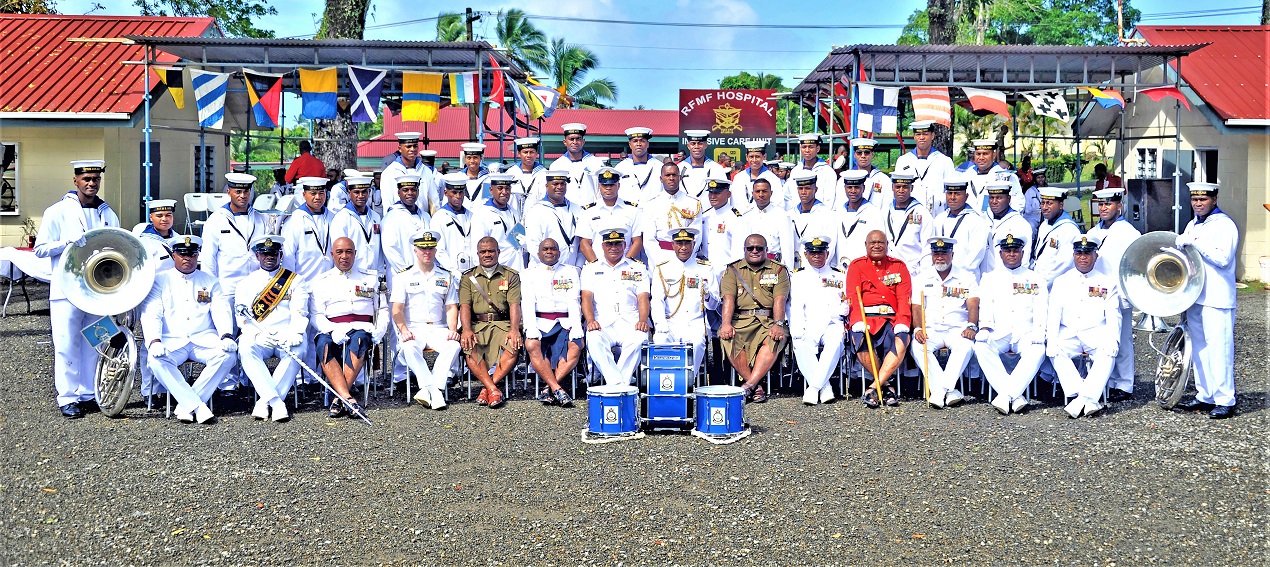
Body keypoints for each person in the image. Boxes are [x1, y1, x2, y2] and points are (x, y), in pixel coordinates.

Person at [33, 160, 121, 418]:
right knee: (66, 343)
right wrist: (66, 243)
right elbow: (40, 249)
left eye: (95, 179)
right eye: (86, 179)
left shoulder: (108, 213)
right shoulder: (57, 211)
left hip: (97, 291)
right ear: (76, 181)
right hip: (66, 290)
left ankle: (88, 393)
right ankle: (68, 397)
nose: (91, 184)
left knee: (95, 341)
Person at [140, 235, 235, 424]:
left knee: (228, 356)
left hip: (203, 338)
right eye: (182, 254)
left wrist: (225, 335)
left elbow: (221, 310)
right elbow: (152, 312)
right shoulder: (159, 280)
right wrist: (154, 340)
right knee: (155, 359)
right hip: (171, 339)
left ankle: (186, 405)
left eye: (192, 254)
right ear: (173, 255)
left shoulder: (210, 281)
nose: (187, 258)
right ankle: (198, 406)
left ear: (197, 255)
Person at [1173, 182, 1239, 418]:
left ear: (1214, 199)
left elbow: (1223, 258)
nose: (1198, 204)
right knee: (1199, 349)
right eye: (1194, 200)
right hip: (1196, 296)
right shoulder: (1193, 224)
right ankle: (1206, 395)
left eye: (1203, 200)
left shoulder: (1225, 225)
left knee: (1219, 349)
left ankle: (1225, 399)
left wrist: (1195, 243)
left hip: (1217, 298)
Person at [233, 235, 309, 422]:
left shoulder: (294, 280)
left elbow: (300, 311)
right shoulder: (246, 283)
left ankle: (264, 402)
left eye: (274, 253)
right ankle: (276, 403)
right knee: (245, 347)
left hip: (286, 333)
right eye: (265, 253)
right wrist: (255, 334)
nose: (270, 257)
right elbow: (241, 317)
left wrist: (296, 332)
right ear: (257, 256)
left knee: (298, 349)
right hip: (260, 334)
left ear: (280, 255)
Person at [310, 237, 388, 418]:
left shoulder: (370, 278)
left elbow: (382, 308)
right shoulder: (321, 281)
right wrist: (331, 330)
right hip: (333, 328)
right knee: (323, 343)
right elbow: (316, 315)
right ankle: (347, 398)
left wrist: (381, 328)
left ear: (355, 254)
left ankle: (338, 399)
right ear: (332, 255)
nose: (344, 256)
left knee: (359, 339)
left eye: (348, 252)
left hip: (362, 327)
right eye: (339, 252)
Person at [1045, 235, 1121, 418]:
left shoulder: (1107, 283)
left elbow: (1113, 315)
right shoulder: (1061, 281)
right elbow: (1054, 313)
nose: (1083, 257)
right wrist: (1051, 339)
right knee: (1055, 350)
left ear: (1096, 255)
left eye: (1088, 253)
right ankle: (1085, 396)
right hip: (1068, 333)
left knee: (1108, 351)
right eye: (1079, 253)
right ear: (1074, 255)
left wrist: (1114, 339)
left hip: (1095, 332)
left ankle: (1080, 400)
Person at [972, 234, 1048, 415]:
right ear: (1000, 253)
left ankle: (1006, 396)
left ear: (1023, 253)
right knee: (981, 347)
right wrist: (984, 328)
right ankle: (1016, 395)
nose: (1012, 254)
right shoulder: (990, 278)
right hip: (1000, 331)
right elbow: (986, 306)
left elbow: (1041, 308)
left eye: (1016, 250)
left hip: (1025, 331)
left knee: (1038, 350)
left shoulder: (1035, 278)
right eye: (1007, 250)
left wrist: (1039, 331)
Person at [391, 230, 462, 410]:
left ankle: (431, 389)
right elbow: (396, 310)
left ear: (435, 250)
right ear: (415, 251)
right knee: (409, 346)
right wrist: (403, 330)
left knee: (454, 345)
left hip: (438, 327)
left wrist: (453, 329)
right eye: (423, 249)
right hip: (413, 327)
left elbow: (451, 306)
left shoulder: (446, 276)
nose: (427, 252)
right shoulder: (402, 277)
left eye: (430, 248)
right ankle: (435, 390)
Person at [844, 230, 913, 408]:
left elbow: (904, 297)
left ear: (887, 244)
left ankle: (873, 387)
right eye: (872, 243)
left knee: (902, 340)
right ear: (866, 245)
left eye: (880, 242)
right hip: (866, 318)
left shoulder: (898, 266)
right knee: (858, 339)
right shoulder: (857, 266)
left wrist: (903, 322)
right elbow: (852, 295)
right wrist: (857, 320)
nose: (876, 246)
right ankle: (887, 386)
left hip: (891, 318)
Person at [1086, 188, 1142, 401]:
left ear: (1119, 206)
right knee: (1102, 339)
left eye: (1108, 204)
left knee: (1122, 339)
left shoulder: (1129, 233)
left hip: (1119, 294)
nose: (1103, 208)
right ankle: (1106, 380)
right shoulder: (1093, 233)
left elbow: (1137, 265)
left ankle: (1125, 384)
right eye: (1101, 204)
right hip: (1096, 294)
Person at [718, 234, 789, 403]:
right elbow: (728, 299)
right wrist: (726, 323)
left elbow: (780, 299)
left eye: (759, 248)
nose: (755, 251)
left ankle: (748, 385)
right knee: (727, 336)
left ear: (766, 250)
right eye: (750, 248)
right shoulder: (732, 270)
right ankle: (755, 386)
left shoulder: (778, 270)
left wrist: (778, 324)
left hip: (767, 320)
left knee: (775, 338)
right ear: (744, 250)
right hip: (741, 320)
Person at [911, 237, 979, 408]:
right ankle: (949, 391)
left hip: (957, 329)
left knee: (966, 346)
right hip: (931, 329)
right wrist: (918, 328)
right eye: (936, 253)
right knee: (917, 347)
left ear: (952, 254)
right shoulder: (921, 278)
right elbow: (917, 307)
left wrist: (971, 326)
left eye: (944, 253)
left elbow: (973, 305)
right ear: (931, 256)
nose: (940, 257)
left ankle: (939, 391)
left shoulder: (966, 277)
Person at [458, 236, 523, 408]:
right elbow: (464, 306)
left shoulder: (511, 276)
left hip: (503, 324)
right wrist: (465, 329)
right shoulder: (468, 277)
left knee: (514, 345)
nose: (487, 254)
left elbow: (514, 305)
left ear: (498, 252)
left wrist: (515, 329)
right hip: (477, 324)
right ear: (478, 254)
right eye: (483, 251)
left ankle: (489, 387)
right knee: (468, 345)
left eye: (491, 251)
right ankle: (493, 389)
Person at [581, 228, 651, 386]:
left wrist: (643, 320)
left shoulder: (638, 268)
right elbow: (586, 297)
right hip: (603, 321)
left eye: (618, 244)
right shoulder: (591, 269)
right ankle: (618, 383)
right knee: (593, 338)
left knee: (640, 338)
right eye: (609, 244)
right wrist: (590, 320)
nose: (614, 247)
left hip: (630, 321)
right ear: (603, 246)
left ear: (624, 245)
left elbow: (643, 297)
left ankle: (615, 385)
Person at [521, 238, 584, 407]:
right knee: (532, 345)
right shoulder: (529, 273)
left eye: (553, 249)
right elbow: (527, 302)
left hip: (564, 321)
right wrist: (531, 327)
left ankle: (549, 388)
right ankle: (557, 388)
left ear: (559, 252)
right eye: (546, 249)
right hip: (540, 322)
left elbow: (574, 301)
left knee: (577, 345)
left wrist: (576, 325)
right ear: (539, 253)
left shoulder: (570, 272)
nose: (549, 252)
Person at [789, 236, 848, 405]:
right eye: (812, 253)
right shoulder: (798, 277)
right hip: (810, 323)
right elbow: (796, 306)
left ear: (827, 253)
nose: (817, 256)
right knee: (800, 343)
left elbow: (846, 301)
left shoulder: (839, 276)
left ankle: (813, 388)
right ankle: (825, 387)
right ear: (806, 255)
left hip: (832, 322)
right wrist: (797, 329)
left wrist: (842, 310)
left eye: (821, 253)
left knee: (835, 343)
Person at [650, 227, 716, 374]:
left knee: (697, 343)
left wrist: (706, 293)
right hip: (670, 322)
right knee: (660, 341)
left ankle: (687, 383)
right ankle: (666, 385)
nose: (683, 247)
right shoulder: (662, 268)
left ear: (694, 244)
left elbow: (713, 305)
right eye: (679, 243)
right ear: (673, 245)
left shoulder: (705, 268)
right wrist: (660, 325)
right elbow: (657, 300)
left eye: (687, 243)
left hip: (695, 322)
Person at [202, 172, 269, 299]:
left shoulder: (260, 218)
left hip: (256, 287)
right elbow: (208, 257)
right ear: (228, 192)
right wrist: (211, 287)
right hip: (227, 287)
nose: (242, 196)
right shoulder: (216, 219)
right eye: (238, 192)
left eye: (246, 192)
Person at [641, 162, 704, 267]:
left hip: (687, 258)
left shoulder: (693, 203)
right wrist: (661, 262)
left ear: (679, 178)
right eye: (667, 175)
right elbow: (648, 239)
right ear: (661, 179)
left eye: (674, 175)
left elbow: (697, 236)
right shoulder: (650, 205)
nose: (671, 178)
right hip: (660, 258)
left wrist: (687, 259)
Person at [578, 167, 643, 264]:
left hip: (626, 266)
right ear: (599, 185)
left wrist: (626, 264)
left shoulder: (633, 210)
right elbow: (584, 243)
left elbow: (637, 241)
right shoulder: (588, 212)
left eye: (612, 184)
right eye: (605, 185)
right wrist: (596, 265)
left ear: (619, 185)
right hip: (597, 266)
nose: (608, 188)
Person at [893, 120, 955, 216]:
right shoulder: (903, 160)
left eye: (925, 134)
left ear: (932, 136)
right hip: (910, 214)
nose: (921, 137)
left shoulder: (944, 161)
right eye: (918, 134)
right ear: (914, 137)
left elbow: (951, 190)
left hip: (937, 215)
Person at [524, 171, 583, 267]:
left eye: (563, 184)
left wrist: (578, 267)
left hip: (572, 270)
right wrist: (552, 267)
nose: (559, 187)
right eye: (555, 184)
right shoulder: (536, 210)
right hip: (544, 269)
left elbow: (582, 243)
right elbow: (533, 245)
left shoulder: (576, 209)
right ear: (547, 186)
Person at [281, 176, 336, 281]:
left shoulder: (333, 217)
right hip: (304, 283)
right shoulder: (295, 219)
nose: (318, 197)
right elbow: (288, 256)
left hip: (330, 284)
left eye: (321, 193)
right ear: (304, 195)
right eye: (313, 193)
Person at [884, 171, 935, 282]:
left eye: (905, 187)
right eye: (898, 187)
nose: (901, 190)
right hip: (887, 271)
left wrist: (924, 276)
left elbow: (928, 247)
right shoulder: (884, 210)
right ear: (892, 188)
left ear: (911, 188)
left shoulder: (922, 213)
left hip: (912, 272)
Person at [932, 180, 989, 278]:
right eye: (949, 193)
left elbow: (977, 253)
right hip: (940, 275)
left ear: (966, 196)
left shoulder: (976, 221)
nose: (952, 197)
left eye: (957, 194)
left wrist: (959, 274)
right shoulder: (939, 219)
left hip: (965, 277)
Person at [330, 174, 383, 276]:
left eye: (364, 192)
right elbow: (339, 251)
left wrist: (380, 274)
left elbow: (379, 250)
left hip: (373, 275)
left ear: (369, 192)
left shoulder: (375, 217)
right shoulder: (341, 217)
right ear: (349, 193)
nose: (361, 196)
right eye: (356, 192)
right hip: (352, 274)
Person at [696, 177, 747, 279]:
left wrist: (732, 274)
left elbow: (739, 253)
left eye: (717, 193)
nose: (713, 196)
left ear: (728, 194)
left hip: (725, 272)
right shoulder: (705, 216)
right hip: (705, 271)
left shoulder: (736, 218)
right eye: (710, 193)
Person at [741, 178, 797, 272]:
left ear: (771, 193)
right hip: (749, 266)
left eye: (764, 191)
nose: (761, 194)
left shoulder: (781, 215)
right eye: (757, 191)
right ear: (752, 193)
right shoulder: (746, 215)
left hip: (772, 265)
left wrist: (787, 271)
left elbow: (787, 247)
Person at [833, 169, 885, 268]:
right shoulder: (837, 212)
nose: (853, 191)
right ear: (844, 188)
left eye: (857, 187)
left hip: (864, 269)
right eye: (849, 187)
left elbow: (878, 245)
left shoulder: (874, 213)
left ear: (863, 188)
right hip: (839, 269)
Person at [1031, 187, 1081, 288]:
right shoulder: (1045, 224)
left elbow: (1064, 265)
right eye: (1042, 203)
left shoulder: (1069, 229)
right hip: (1039, 282)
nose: (1044, 207)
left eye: (1049, 203)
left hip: (1057, 286)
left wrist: (1041, 284)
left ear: (1061, 205)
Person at [473, 173, 525, 270]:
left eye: (507, 188)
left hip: (516, 266)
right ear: (491, 190)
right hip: (496, 269)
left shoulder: (514, 212)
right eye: (500, 188)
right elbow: (477, 246)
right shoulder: (482, 214)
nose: (504, 192)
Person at [981, 182, 1034, 275]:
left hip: (1006, 278)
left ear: (1008, 199)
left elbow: (1024, 260)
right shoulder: (983, 219)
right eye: (991, 197)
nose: (994, 201)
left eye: (999, 198)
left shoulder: (1020, 223)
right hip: (983, 277)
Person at [548, 123, 605, 207]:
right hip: (567, 211)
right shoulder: (556, 166)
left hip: (592, 211)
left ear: (583, 141)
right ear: (565, 142)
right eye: (571, 139)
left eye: (578, 139)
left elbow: (601, 189)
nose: (575, 142)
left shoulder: (596, 163)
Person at [789, 173, 837, 270]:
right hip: (794, 269)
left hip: (817, 269)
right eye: (800, 188)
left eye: (807, 188)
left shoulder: (826, 214)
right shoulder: (790, 214)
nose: (803, 192)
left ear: (816, 189)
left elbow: (830, 246)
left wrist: (819, 268)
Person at [432, 173, 477, 274]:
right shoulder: (439, 217)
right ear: (445, 192)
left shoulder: (471, 215)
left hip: (471, 271)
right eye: (454, 192)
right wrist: (453, 271)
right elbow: (439, 250)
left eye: (461, 192)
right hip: (449, 272)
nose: (458, 196)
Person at [964, 139, 1022, 213]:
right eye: (978, 154)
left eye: (985, 154)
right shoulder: (966, 175)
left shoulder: (1006, 176)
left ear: (994, 155)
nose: (981, 158)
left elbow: (1018, 203)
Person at [381, 132, 435, 211]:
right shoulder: (389, 173)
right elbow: (387, 204)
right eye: (408, 146)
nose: (412, 149)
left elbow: (434, 202)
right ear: (400, 149)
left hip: (423, 219)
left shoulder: (426, 171)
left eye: (415, 146)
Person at [614, 127, 664, 205]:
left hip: (653, 213)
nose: (638, 144)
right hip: (628, 213)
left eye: (642, 141)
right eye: (635, 141)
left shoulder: (659, 167)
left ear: (648, 144)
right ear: (630, 145)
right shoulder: (620, 168)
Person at [733, 141, 788, 209]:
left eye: (757, 156)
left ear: (764, 157)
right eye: (751, 157)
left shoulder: (772, 179)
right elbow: (734, 202)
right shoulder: (739, 178)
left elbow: (778, 204)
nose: (754, 160)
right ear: (746, 157)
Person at [677, 130, 730, 200]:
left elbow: (723, 194)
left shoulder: (716, 168)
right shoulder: (679, 168)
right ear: (688, 146)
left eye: (700, 143)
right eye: (693, 143)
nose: (696, 147)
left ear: (706, 145)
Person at [790, 134, 839, 209]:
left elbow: (830, 198)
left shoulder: (827, 171)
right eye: (804, 147)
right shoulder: (795, 171)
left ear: (818, 148)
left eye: (811, 147)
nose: (807, 150)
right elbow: (790, 196)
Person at [508, 137, 546, 218]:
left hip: (537, 217)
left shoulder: (543, 173)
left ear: (536, 154)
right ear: (519, 154)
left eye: (531, 152)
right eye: (525, 152)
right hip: (514, 217)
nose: (528, 155)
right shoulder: (511, 173)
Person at [850, 138, 893, 208]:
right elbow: (840, 206)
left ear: (872, 155)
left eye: (866, 153)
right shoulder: (844, 179)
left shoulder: (884, 180)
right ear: (854, 155)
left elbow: (887, 206)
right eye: (859, 153)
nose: (863, 156)